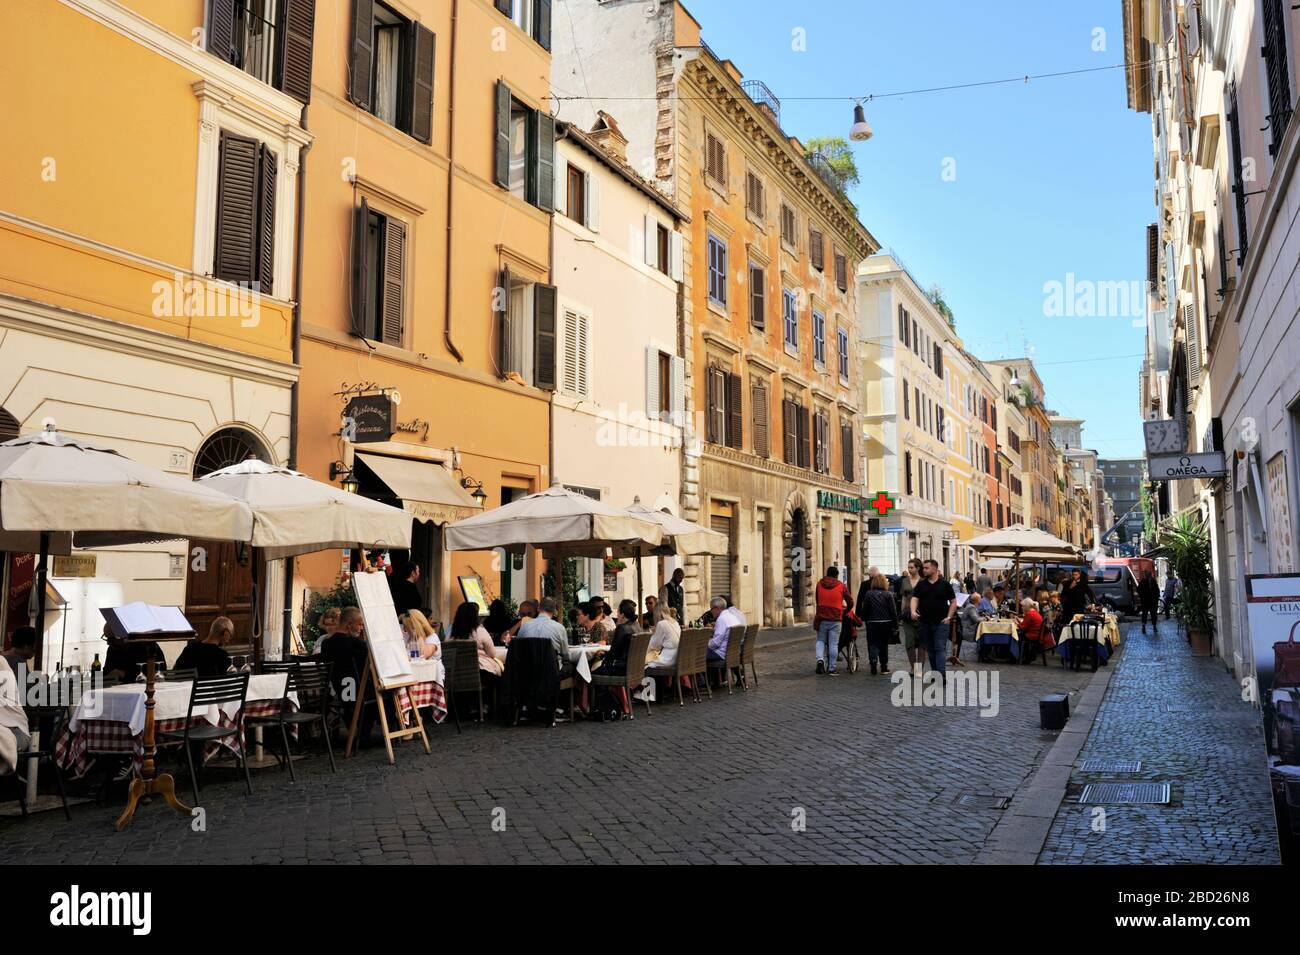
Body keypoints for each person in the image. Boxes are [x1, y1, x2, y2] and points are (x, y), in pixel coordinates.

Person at [910, 559, 957, 679]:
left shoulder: (945, 584)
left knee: (939, 648)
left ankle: (941, 674)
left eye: (926, 568)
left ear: (935, 569)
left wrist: (949, 617)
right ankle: (936, 673)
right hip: (925, 622)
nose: (924, 570)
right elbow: (914, 598)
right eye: (923, 568)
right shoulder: (921, 584)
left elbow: (953, 602)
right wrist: (913, 611)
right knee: (930, 650)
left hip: (941, 622)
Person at [516, 597, 571, 675]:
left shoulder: (525, 626)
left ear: (538, 608)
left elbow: (518, 649)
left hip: (528, 672)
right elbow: (566, 656)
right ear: (554, 611)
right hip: (552, 672)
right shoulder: (559, 628)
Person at [813, 565, 852, 676]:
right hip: (835, 618)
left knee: (820, 640)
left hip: (822, 617)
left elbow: (818, 600)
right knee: (833, 644)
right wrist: (845, 611)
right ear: (836, 575)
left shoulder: (819, 584)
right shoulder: (841, 585)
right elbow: (850, 602)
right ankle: (832, 668)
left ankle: (820, 660)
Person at [447, 601, 503, 678]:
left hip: (455, 672)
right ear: (475, 615)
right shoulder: (480, 630)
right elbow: (492, 653)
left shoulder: (450, 630)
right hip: (480, 672)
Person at [856, 573, 897, 676]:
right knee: (883, 645)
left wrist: (864, 618)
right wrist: (895, 624)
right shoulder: (888, 594)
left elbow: (865, 609)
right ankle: (884, 666)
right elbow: (893, 611)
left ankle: (873, 663)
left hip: (872, 622)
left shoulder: (869, 594)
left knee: (873, 643)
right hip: (885, 622)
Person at [898, 558, 924, 671]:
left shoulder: (923, 581)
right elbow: (904, 598)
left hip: (921, 615)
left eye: (911, 567)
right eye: (908, 567)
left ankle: (919, 670)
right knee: (909, 643)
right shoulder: (905, 581)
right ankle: (914, 668)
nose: (909, 569)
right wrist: (901, 613)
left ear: (918, 568)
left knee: (922, 643)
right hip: (908, 615)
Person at [707, 596, 744, 665]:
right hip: (731, 652)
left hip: (721, 653)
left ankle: (704, 673)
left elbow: (716, 643)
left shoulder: (721, 619)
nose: (711, 612)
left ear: (716, 608)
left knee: (695, 653)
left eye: (711, 609)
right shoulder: (731, 616)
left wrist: (705, 645)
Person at [646, 606, 682, 672]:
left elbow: (655, 645)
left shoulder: (661, 623)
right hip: (676, 657)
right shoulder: (676, 622)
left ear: (658, 614)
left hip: (667, 659)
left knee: (644, 662)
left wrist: (654, 634)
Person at [1014, 598, 1048, 664]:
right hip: (1037, 634)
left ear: (1027, 606)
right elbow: (1026, 625)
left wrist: (1016, 623)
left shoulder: (1030, 614)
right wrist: (1019, 622)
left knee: (1016, 636)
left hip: (1032, 635)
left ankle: (1016, 657)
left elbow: (1023, 627)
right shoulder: (1034, 612)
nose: (1022, 608)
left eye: (1023, 606)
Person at [1137, 569, 1160, 634]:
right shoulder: (1152, 581)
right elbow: (1157, 591)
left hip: (1146, 601)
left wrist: (1142, 596)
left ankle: (1144, 627)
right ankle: (1154, 627)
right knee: (1153, 614)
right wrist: (1156, 598)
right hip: (1151, 601)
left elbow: (1138, 590)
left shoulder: (1143, 581)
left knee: (1145, 614)